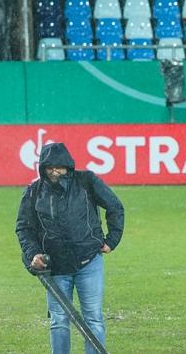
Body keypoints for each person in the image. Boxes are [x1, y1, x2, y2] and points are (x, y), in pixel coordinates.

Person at [15, 142, 125, 354]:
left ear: (68, 165)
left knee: (93, 318)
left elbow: (114, 206)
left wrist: (112, 240)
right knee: (58, 321)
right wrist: (33, 254)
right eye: (49, 168)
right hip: (55, 268)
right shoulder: (33, 192)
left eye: (59, 167)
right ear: (42, 168)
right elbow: (24, 228)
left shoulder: (87, 181)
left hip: (89, 263)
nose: (55, 172)